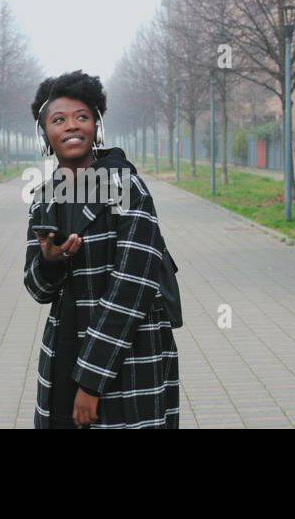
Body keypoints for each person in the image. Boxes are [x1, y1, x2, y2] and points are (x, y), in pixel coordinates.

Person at [24, 70, 180, 429]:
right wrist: (49, 262)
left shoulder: (125, 187)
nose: (71, 126)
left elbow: (133, 288)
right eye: (58, 120)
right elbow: (36, 289)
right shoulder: (45, 198)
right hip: (64, 351)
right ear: (45, 133)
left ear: (97, 126)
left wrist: (91, 382)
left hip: (128, 352)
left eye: (82, 117)